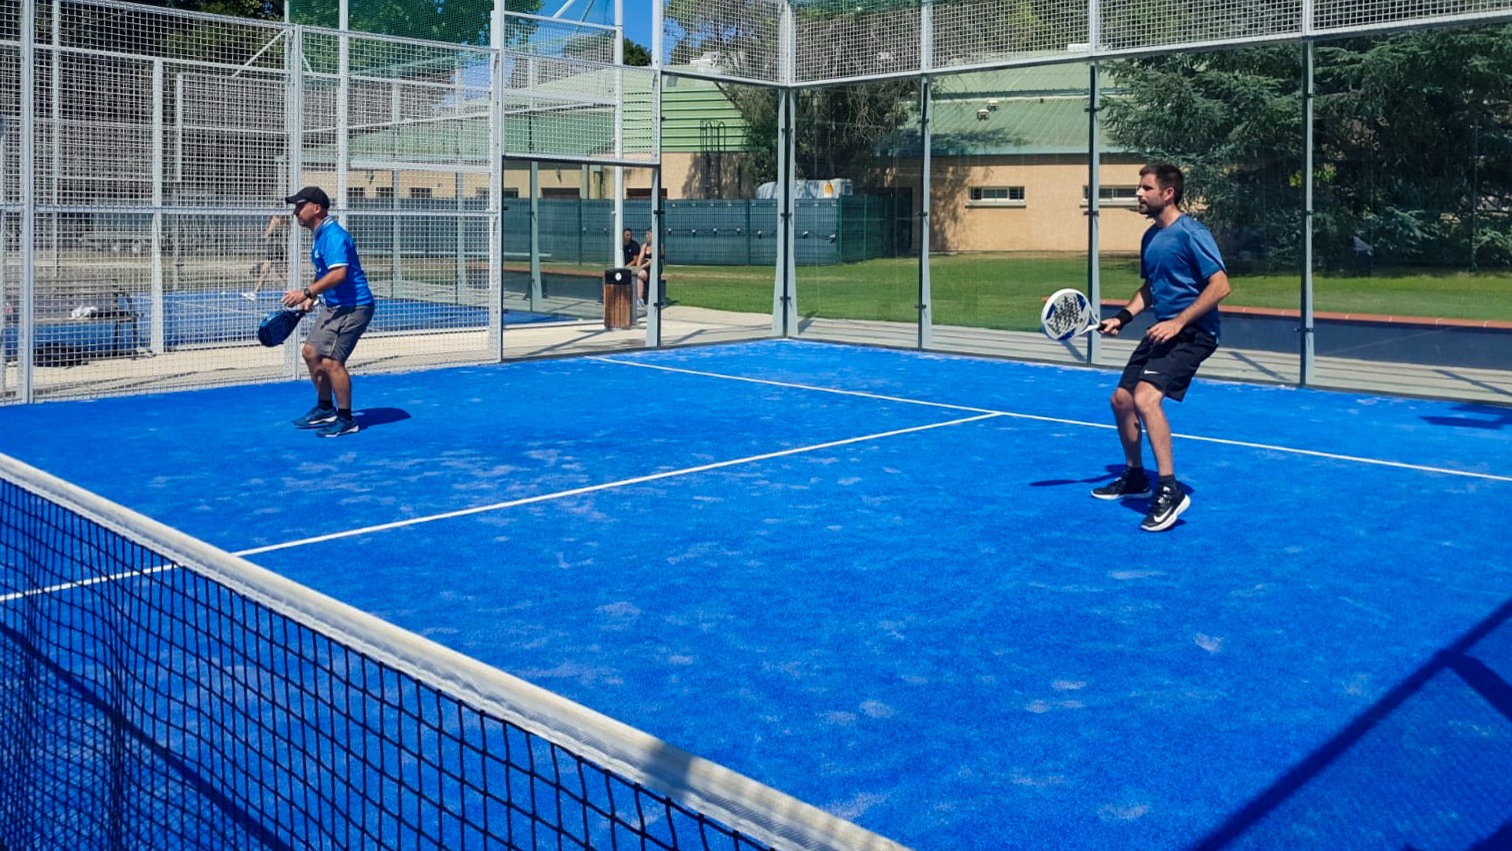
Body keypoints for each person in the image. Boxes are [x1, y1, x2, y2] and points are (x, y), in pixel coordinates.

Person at [1091, 163, 1231, 532]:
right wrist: (1122, 317)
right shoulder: (1151, 237)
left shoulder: (1192, 233)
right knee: (1121, 400)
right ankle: (1136, 476)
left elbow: (1219, 286)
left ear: (1167, 193)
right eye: (1139, 188)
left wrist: (1179, 322)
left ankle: (1168, 489)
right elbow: (1151, 288)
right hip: (1163, 329)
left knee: (1146, 399)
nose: (1138, 193)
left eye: (1145, 188)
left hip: (1194, 332)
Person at [281, 186, 375, 438]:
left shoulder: (333, 235)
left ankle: (346, 418)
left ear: (317, 208)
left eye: (300, 206)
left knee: (332, 361)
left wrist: (307, 292)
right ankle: (325, 409)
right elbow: (326, 271)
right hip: (334, 306)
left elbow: (339, 274)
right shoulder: (320, 235)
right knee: (311, 352)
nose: (295, 212)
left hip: (354, 307)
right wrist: (314, 297)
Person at [249, 214, 287, 298]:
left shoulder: (276, 219)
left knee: (279, 272)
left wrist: (265, 233)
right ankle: (255, 293)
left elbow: (267, 234)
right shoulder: (281, 220)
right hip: (273, 247)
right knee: (265, 271)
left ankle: (292, 289)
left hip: (275, 248)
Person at [632, 227, 664, 308]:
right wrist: (638, 267)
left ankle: (640, 299)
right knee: (637, 275)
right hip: (645, 267)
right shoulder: (644, 245)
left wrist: (642, 267)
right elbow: (640, 257)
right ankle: (639, 299)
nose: (646, 236)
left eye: (648, 234)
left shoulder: (658, 245)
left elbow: (652, 260)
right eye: (646, 234)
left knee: (639, 275)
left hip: (655, 267)